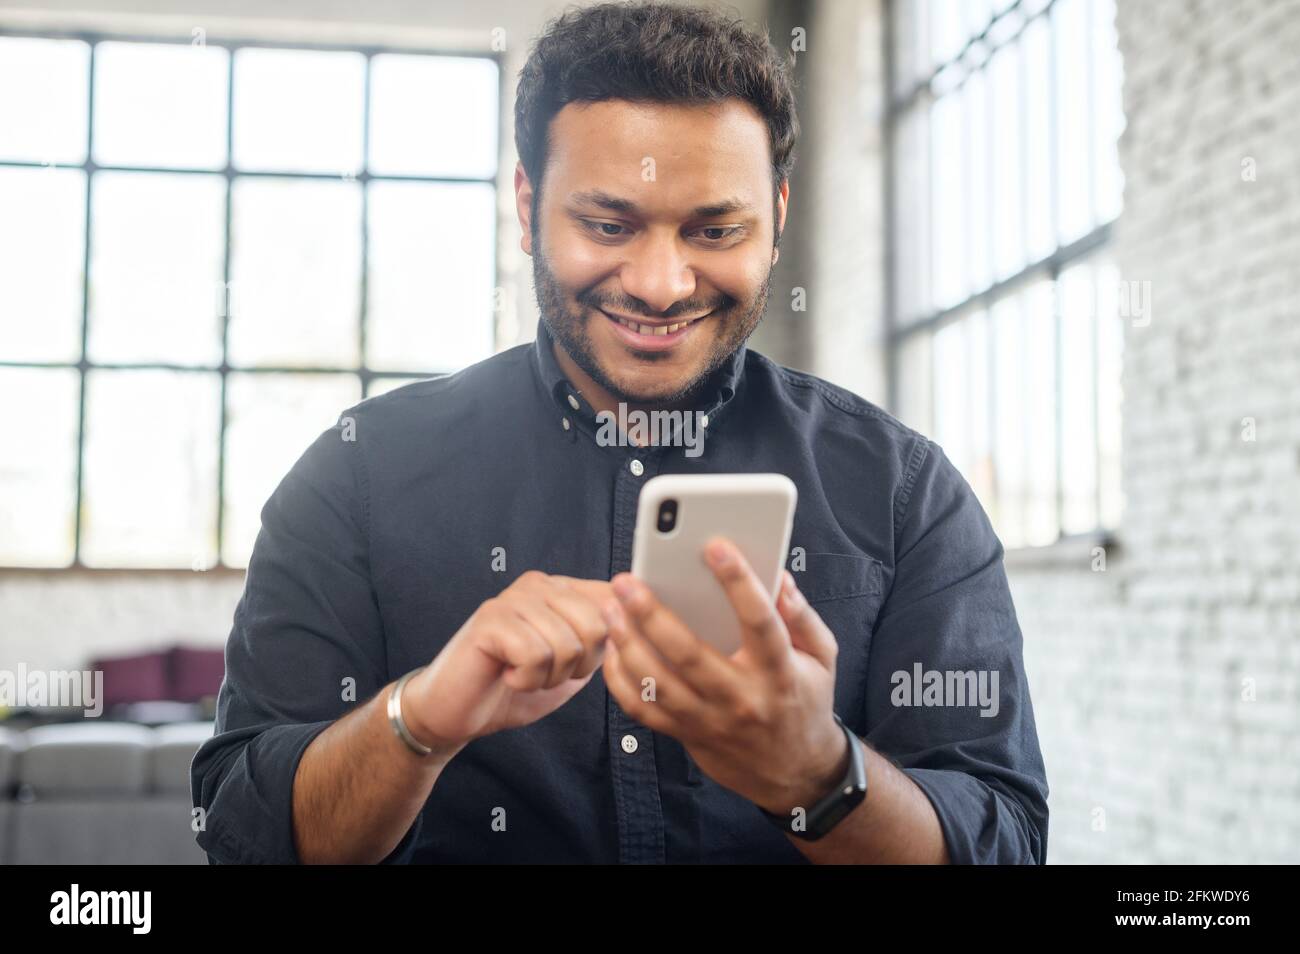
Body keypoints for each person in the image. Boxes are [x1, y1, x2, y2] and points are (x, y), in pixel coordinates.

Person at [191, 0, 1048, 864]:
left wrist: (821, 776)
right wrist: (420, 718)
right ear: (527, 207)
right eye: (608, 226)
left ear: (778, 216)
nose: (661, 284)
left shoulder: (905, 494)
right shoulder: (356, 477)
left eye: (716, 230)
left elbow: (1005, 842)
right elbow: (242, 831)